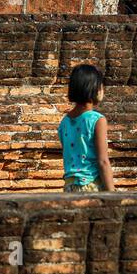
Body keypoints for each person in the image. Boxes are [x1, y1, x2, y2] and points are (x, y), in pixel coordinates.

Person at [57, 63, 115, 192]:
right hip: (91, 184)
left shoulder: (64, 122)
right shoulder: (97, 120)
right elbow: (103, 162)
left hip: (69, 186)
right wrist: (113, 194)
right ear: (93, 88)